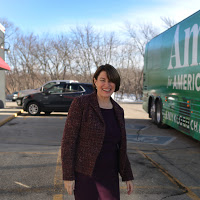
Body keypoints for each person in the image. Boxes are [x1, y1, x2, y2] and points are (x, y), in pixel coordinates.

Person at [61, 64, 134, 200]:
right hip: (85, 175)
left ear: (116, 84)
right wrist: (68, 176)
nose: (107, 84)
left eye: (111, 81)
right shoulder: (81, 104)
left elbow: (120, 148)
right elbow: (68, 142)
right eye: (103, 80)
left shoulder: (118, 111)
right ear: (95, 81)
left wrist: (127, 176)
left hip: (110, 176)